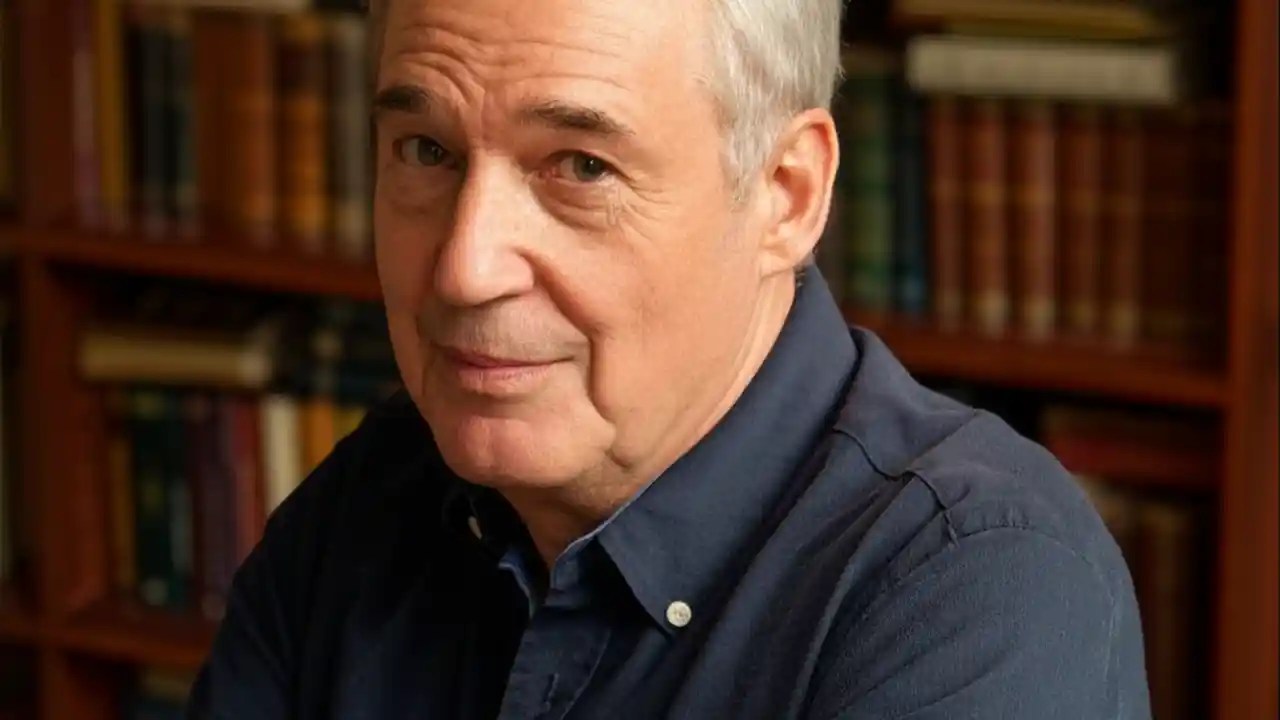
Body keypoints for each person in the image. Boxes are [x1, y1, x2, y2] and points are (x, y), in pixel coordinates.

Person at [187, 0, 1150, 717]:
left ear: (785, 194)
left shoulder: (976, 583)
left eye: (581, 167)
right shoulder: (374, 493)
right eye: (426, 152)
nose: (464, 268)